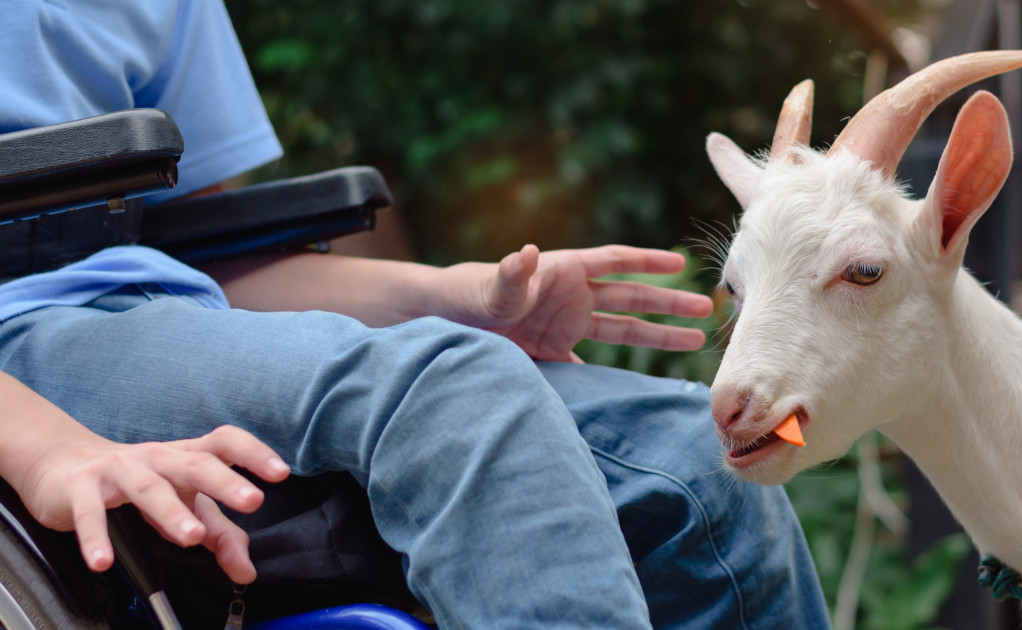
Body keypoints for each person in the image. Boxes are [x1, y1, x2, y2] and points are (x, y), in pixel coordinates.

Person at [0, 1, 832, 628]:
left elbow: (205, 256)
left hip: (154, 317)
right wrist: (42, 448)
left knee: (694, 461)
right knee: (456, 393)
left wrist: (457, 300)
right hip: (22, 351)